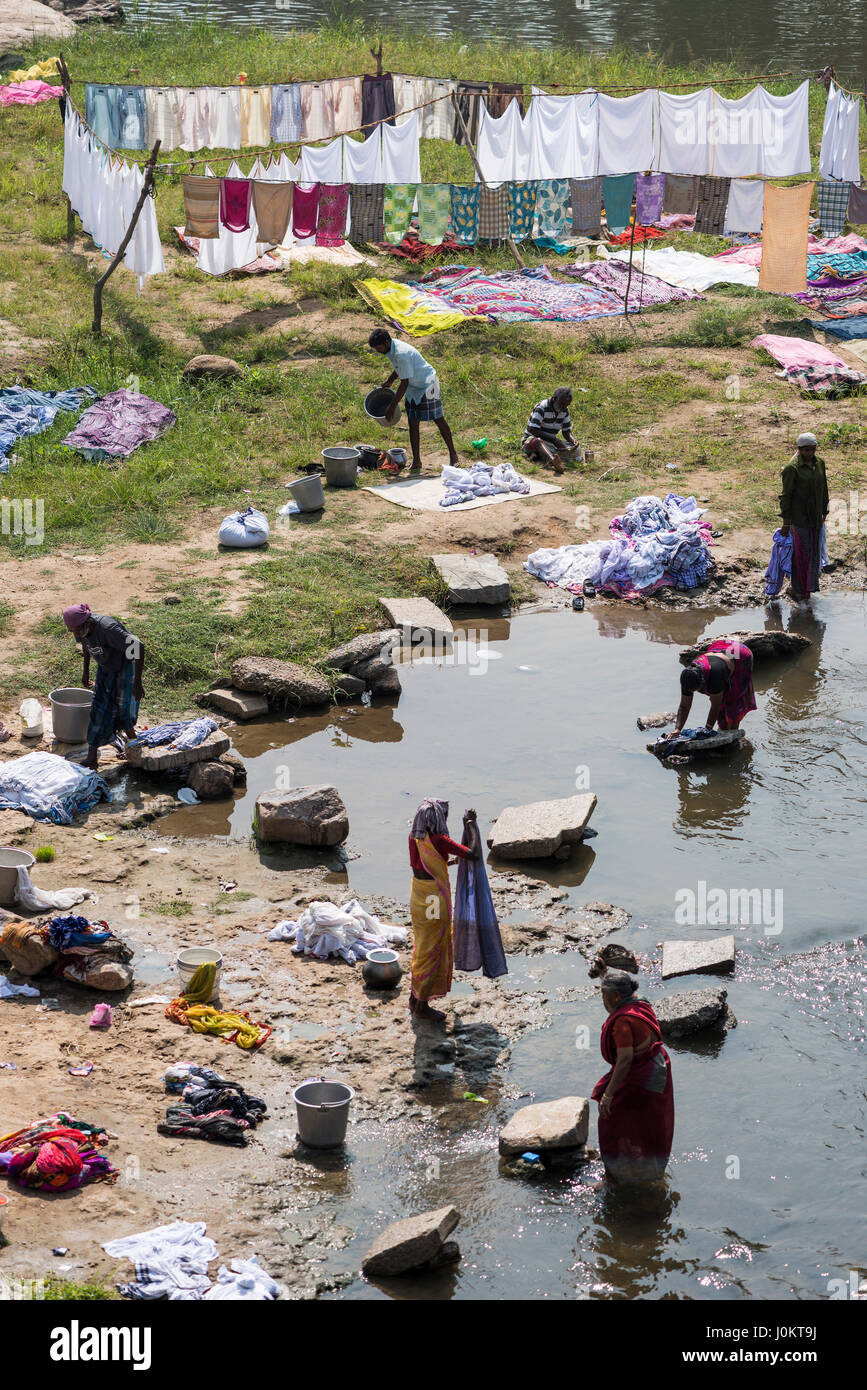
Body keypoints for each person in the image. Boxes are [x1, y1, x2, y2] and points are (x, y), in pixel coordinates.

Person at [591, 970, 674, 1184]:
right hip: (658, 1065)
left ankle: (616, 1175)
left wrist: (608, 1096)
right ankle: (652, 1170)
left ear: (617, 997)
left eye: (604, 994)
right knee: (649, 1120)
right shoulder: (639, 1004)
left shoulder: (622, 1022)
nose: (603, 1000)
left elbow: (625, 1060)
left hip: (640, 1075)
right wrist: (603, 974)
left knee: (610, 1119)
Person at [408, 798, 479, 1021]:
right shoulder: (439, 839)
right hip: (434, 900)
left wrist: (449, 864)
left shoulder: (414, 838)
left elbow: (421, 865)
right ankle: (422, 1006)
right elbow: (474, 853)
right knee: (434, 948)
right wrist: (471, 824)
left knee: (422, 946)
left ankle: (414, 998)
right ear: (437, 818)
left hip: (419, 895)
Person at [62, 603, 144, 769]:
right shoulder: (80, 629)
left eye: (77, 630)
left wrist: (137, 683)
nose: (76, 635)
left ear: (88, 622)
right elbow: (86, 646)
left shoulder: (108, 629)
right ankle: (92, 758)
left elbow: (138, 646)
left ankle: (133, 745)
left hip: (124, 666)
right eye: (72, 631)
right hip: (106, 666)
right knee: (98, 708)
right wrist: (86, 672)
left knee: (123, 707)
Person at [368, 328, 458, 472]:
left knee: (438, 419)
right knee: (413, 422)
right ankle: (417, 461)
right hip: (413, 386)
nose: (378, 351)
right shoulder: (390, 349)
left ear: (386, 342)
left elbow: (404, 383)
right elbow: (399, 368)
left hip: (426, 384)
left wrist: (392, 406)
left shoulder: (401, 353)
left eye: (379, 348)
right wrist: (390, 380)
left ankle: (454, 455)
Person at [667, 638, 756, 739]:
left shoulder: (715, 675)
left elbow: (715, 706)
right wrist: (677, 729)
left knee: (732, 703)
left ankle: (734, 736)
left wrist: (707, 730)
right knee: (721, 709)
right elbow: (684, 706)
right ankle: (723, 728)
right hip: (719, 648)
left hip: (739, 654)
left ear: (703, 681)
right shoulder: (688, 676)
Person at [780, 432, 829, 603]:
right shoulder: (792, 469)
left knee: (813, 554)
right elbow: (786, 496)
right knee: (801, 555)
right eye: (807, 450)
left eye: (813, 450)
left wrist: (825, 511)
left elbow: (824, 488)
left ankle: (808, 589)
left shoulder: (819, 463)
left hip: (815, 518)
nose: (810, 454)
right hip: (799, 519)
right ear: (800, 450)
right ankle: (797, 589)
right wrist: (786, 523)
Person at [522, 387, 579, 475]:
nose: (564, 407)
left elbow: (566, 432)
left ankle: (539, 455)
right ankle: (553, 462)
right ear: (554, 399)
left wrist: (573, 441)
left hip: (549, 442)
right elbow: (532, 429)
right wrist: (554, 440)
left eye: (566, 405)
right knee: (538, 441)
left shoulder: (564, 410)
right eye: (562, 404)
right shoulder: (542, 407)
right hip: (531, 440)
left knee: (576, 448)